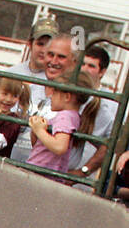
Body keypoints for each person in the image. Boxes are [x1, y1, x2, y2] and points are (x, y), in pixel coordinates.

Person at [12, 30, 76, 165]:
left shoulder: (79, 99)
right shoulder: (30, 88)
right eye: (50, 54)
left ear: (74, 62)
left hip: (48, 173)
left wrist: (83, 171)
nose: (53, 61)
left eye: (61, 57)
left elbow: (105, 141)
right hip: (14, 166)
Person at [27, 67, 95, 177]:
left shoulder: (65, 116)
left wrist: (39, 130)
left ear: (67, 97)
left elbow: (60, 147)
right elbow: (42, 146)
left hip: (42, 174)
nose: (50, 96)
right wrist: (36, 131)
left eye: (54, 92)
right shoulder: (73, 116)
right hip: (46, 172)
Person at [68, 45, 117, 181]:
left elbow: (110, 144)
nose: (85, 69)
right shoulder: (66, 91)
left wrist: (83, 172)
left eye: (91, 66)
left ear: (102, 72)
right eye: (82, 64)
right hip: (53, 168)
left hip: (85, 180)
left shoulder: (111, 104)